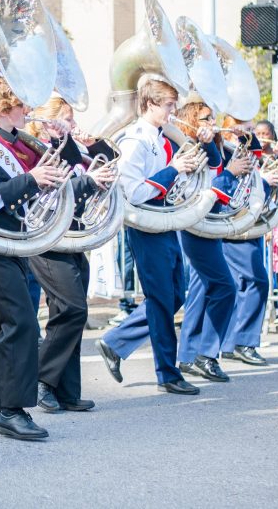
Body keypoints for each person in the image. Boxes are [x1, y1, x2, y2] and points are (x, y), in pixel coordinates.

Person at [0, 71, 69, 440]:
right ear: (4, 106)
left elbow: (47, 179)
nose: (29, 109)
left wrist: (61, 147)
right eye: (22, 103)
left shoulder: (19, 141)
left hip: (13, 239)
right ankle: (12, 410)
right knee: (21, 321)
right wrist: (34, 179)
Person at [94, 79, 208, 396]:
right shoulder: (135, 140)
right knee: (160, 300)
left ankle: (115, 342)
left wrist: (183, 171)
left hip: (164, 221)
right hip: (146, 226)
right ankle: (168, 373)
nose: (174, 111)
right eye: (169, 105)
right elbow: (134, 190)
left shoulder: (159, 137)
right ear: (150, 105)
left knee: (175, 296)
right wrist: (173, 170)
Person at [25, 95, 116, 413]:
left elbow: (108, 160)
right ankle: (40, 379)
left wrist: (95, 143)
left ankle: (66, 390)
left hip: (75, 236)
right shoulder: (38, 150)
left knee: (67, 316)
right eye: (67, 118)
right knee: (73, 309)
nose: (74, 124)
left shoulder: (69, 148)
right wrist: (89, 181)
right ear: (49, 121)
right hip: (49, 239)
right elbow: (51, 196)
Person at [173, 105, 251, 382]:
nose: (213, 122)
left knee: (199, 292)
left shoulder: (210, 143)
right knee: (223, 287)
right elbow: (208, 184)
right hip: (195, 224)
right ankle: (205, 355)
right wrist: (230, 172)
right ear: (193, 121)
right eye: (206, 118)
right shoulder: (187, 147)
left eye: (213, 118)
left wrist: (244, 140)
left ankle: (190, 356)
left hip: (208, 224)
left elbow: (239, 165)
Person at [220, 119, 278, 366]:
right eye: (246, 130)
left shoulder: (251, 154)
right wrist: (263, 181)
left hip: (251, 226)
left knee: (239, 286)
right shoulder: (227, 154)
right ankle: (244, 343)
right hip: (236, 226)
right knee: (258, 282)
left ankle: (229, 343)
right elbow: (232, 190)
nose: (249, 135)